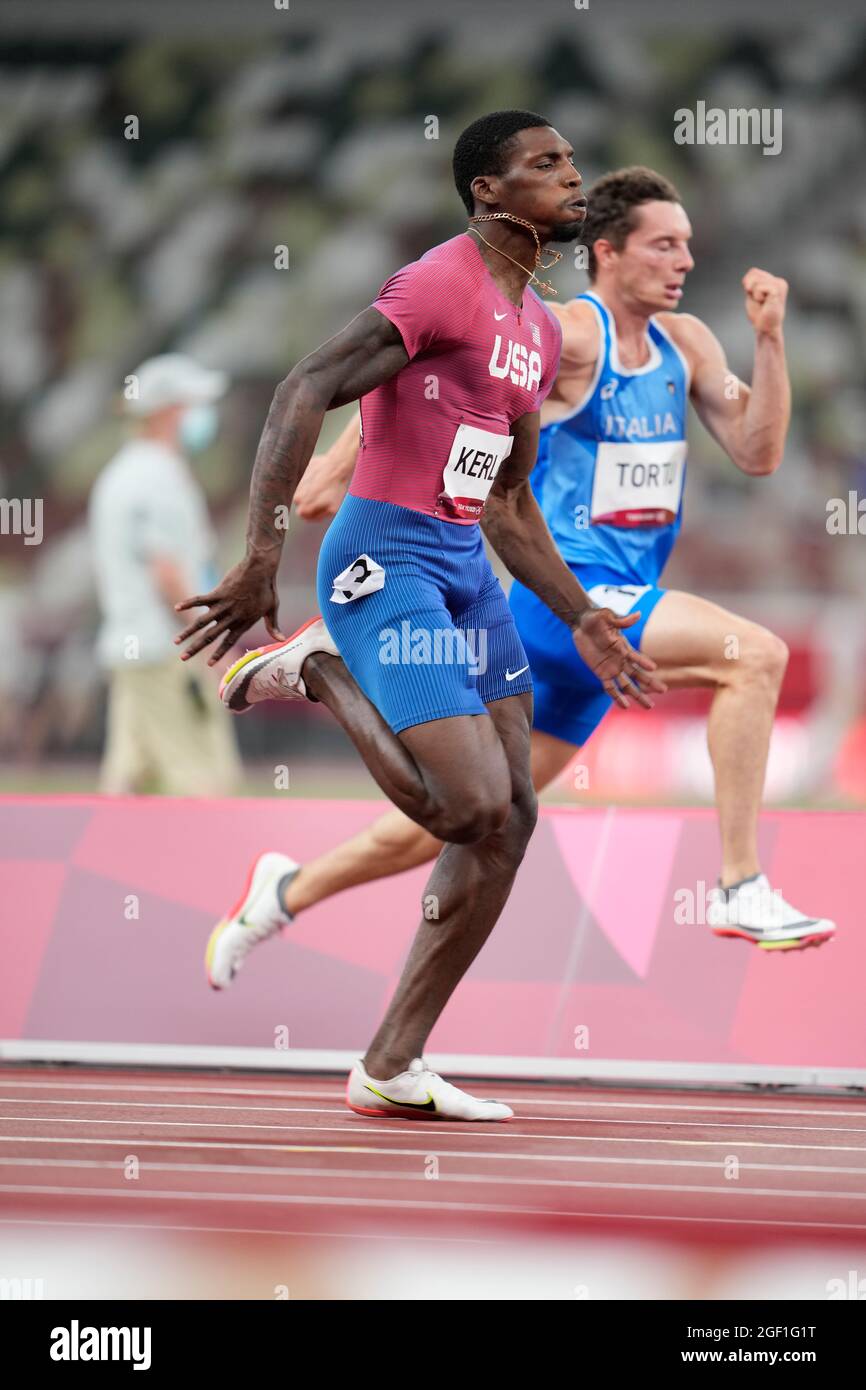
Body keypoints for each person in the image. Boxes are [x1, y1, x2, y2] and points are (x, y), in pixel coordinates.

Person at [175, 112, 664, 1123]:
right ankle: (312, 670)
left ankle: (390, 1063)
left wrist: (579, 616)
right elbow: (302, 385)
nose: (572, 177)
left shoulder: (534, 322)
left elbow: (509, 502)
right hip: (381, 560)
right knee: (465, 808)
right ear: (487, 193)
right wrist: (263, 555)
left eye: (571, 161)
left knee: (513, 817)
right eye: (544, 165)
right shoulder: (438, 283)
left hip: (464, 570)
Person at [210, 165, 836, 955]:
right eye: (663, 245)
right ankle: (742, 886)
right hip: (565, 598)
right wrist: (333, 473)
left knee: (479, 817)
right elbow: (442, 373)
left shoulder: (687, 343)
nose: (683, 261)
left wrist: (772, 339)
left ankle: (283, 892)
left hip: (608, 620)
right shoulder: (572, 331)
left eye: (688, 246)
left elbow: (759, 450)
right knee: (755, 657)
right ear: (606, 252)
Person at [90, 353, 241, 796]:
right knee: (201, 782)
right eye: (195, 403)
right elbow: (167, 573)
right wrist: (212, 644)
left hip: (133, 652)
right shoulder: (159, 478)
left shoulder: (119, 474)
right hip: (167, 653)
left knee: (130, 783)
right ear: (170, 410)